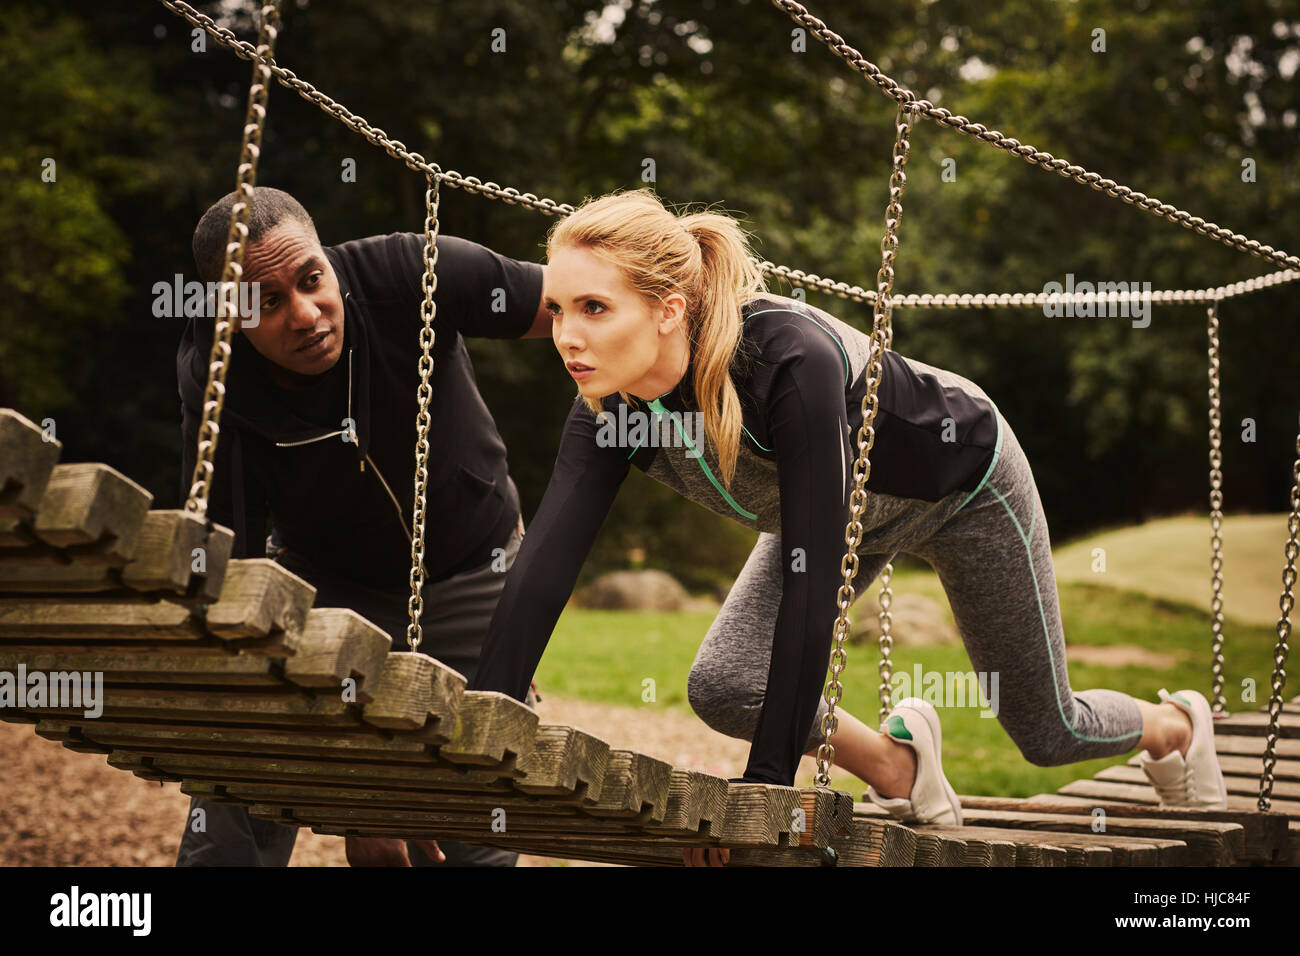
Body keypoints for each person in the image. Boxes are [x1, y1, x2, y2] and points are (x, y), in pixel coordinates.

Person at [468, 189, 1228, 867]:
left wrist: (764, 793)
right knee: (726, 685)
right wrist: (479, 738)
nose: (568, 335)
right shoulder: (610, 410)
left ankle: (1175, 727)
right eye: (559, 309)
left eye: (595, 308)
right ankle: (898, 763)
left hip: (965, 488)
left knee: (1046, 730)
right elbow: (545, 568)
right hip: (849, 519)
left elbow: (810, 574)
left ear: (669, 308)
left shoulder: (784, 360)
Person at [175, 186, 549, 867]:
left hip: (476, 563)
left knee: (477, 820)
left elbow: (574, 307)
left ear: (327, 260)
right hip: (327, 579)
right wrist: (359, 791)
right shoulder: (216, 373)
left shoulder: (408, 272)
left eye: (311, 280)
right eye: (265, 302)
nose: (305, 314)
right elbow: (228, 558)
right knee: (240, 750)